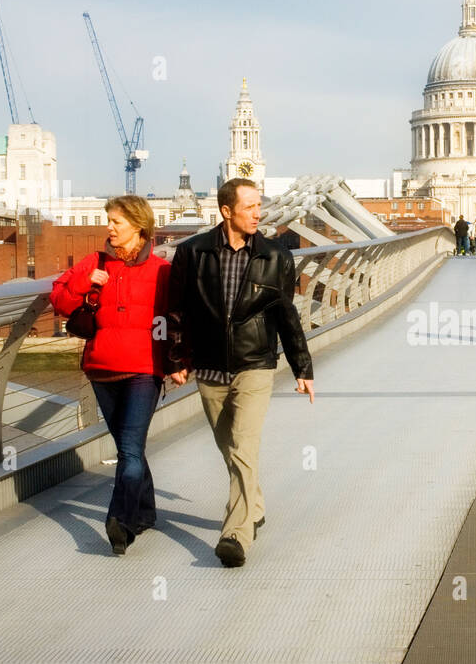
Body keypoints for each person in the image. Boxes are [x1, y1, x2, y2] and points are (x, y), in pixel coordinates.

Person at [166, 178, 316, 569]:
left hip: (255, 363)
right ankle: (256, 505)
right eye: (249, 206)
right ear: (226, 211)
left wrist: (302, 366)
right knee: (228, 446)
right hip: (209, 366)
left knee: (244, 445)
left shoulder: (275, 256)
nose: (258, 213)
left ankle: (236, 534)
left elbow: (286, 314)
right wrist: (178, 359)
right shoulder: (192, 253)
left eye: (259, 205)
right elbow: (177, 312)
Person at [49, 195, 171, 556]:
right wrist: (86, 282)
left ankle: (120, 521)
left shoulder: (161, 271)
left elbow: (176, 320)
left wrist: (177, 362)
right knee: (128, 449)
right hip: (101, 369)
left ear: (138, 225)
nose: (109, 228)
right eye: (109, 221)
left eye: (116, 221)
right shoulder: (95, 262)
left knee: (130, 450)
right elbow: (59, 299)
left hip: (143, 371)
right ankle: (146, 512)